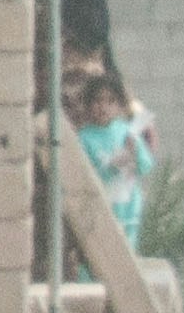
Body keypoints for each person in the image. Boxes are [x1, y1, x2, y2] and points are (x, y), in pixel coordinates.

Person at [66, 49, 156, 247]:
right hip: (100, 212)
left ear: (120, 106)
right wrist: (110, 167)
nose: (103, 107)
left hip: (128, 209)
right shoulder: (84, 137)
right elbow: (85, 176)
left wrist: (134, 152)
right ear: (88, 105)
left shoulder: (126, 132)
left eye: (110, 101)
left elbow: (145, 166)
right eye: (98, 101)